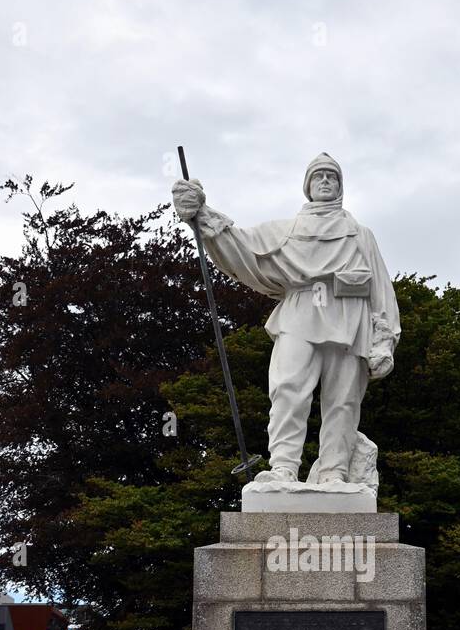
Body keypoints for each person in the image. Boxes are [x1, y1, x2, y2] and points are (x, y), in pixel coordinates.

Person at [171, 153, 400, 485]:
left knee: (344, 401)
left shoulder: (360, 234)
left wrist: (385, 340)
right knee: (288, 389)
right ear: (307, 186)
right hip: (300, 313)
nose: (325, 181)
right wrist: (201, 214)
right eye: (318, 176)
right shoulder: (287, 231)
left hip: (350, 318)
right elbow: (241, 245)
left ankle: (335, 472)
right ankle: (283, 469)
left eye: (332, 177)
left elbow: (380, 289)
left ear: (340, 187)